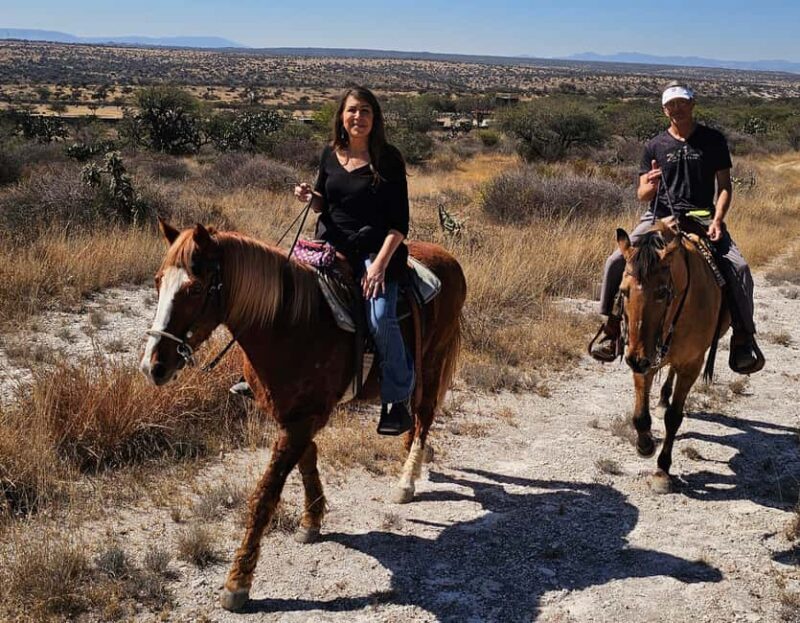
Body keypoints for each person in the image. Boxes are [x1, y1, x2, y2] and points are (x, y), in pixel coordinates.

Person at [590, 81, 765, 374]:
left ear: (692, 105)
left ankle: (743, 337)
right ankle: (609, 328)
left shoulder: (713, 141)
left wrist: (718, 219)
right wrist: (651, 186)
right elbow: (642, 193)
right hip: (659, 218)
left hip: (703, 219)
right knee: (615, 261)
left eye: (682, 103)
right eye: (671, 105)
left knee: (740, 268)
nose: (677, 109)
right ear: (664, 110)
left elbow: (724, 187)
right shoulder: (656, 145)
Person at [292, 86, 415, 435]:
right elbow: (324, 204)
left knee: (379, 318)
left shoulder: (388, 159)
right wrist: (308, 197)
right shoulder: (330, 154)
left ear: (374, 119)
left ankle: (397, 398)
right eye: (351, 111)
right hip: (330, 249)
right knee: (285, 294)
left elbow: (399, 225)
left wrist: (378, 266)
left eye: (365, 111)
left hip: (376, 251)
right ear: (341, 117)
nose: (357, 117)